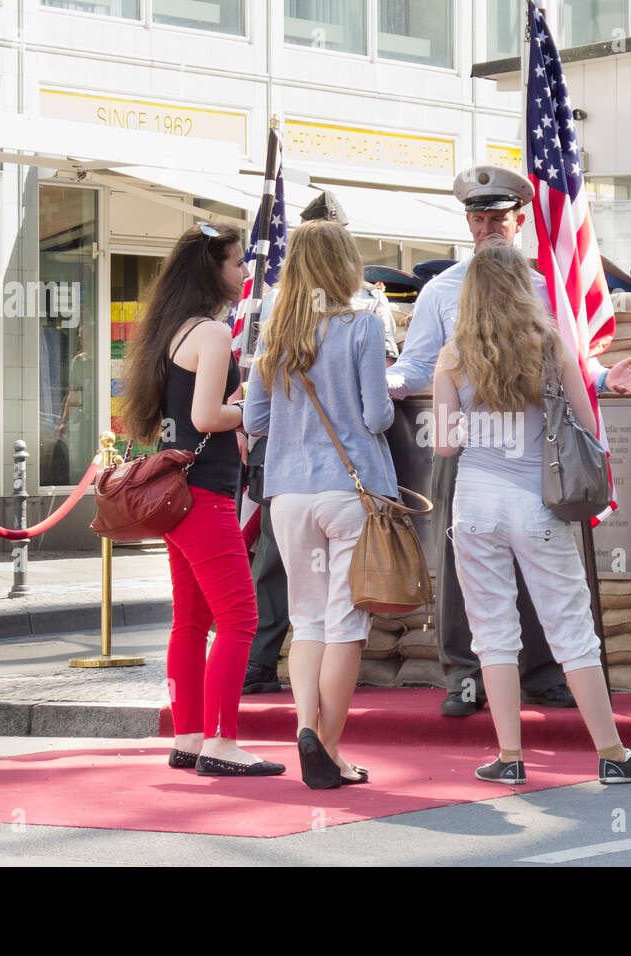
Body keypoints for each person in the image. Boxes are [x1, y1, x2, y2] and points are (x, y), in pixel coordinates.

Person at [387, 164, 631, 717]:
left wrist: (605, 380)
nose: (487, 229)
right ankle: (464, 677)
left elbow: (561, 368)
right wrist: (386, 380)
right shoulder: (441, 290)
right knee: (464, 570)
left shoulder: (543, 288)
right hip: (464, 448)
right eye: (478, 218)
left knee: (542, 560)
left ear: (520, 223)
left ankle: (541, 673)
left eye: (498, 220)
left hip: (538, 447)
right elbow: (420, 366)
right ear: (467, 223)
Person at [432, 243, 631, 785]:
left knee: (491, 631)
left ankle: (510, 758)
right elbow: (584, 425)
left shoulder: (452, 356)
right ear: (524, 291)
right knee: (570, 628)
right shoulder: (550, 346)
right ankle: (611, 753)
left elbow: (445, 447)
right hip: (537, 500)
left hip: (474, 502)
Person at [120, 221, 284, 776]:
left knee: (189, 621)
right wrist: (259, 413)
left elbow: (182, 417)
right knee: (239, 617)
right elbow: (206, 417)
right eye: (237, 263)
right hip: (206, 495)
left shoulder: (170, 332)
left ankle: (190, 736)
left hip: (176, 496)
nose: (244, 272)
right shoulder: (212, 334)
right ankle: (221, 743)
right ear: (212, 270)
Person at [245, 220, 397, 789]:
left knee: (306, 621)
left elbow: (256, 420)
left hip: (287, 493)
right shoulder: (361, 324)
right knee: (347, 623)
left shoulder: (274, 332)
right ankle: (328, 748)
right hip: (348, 491)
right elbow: (378, 416)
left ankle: (305, 725)